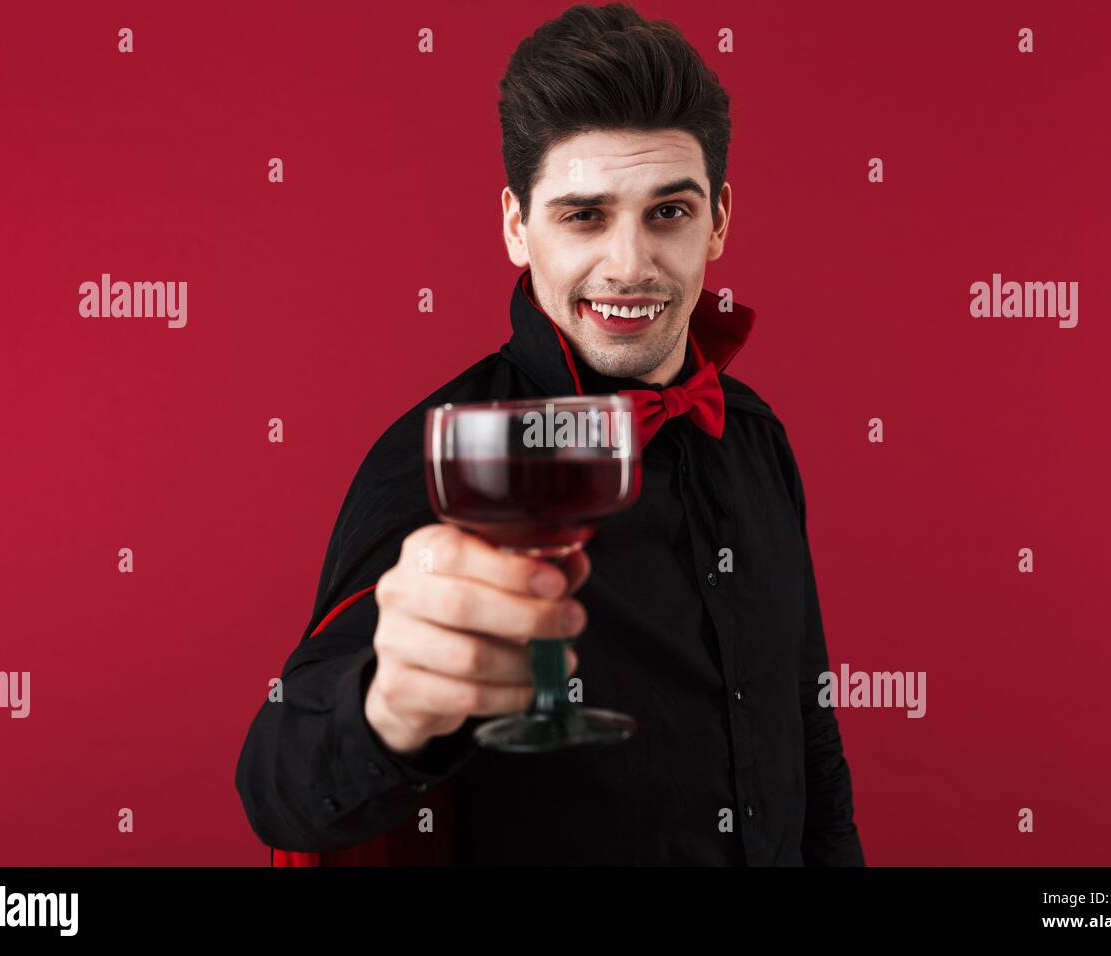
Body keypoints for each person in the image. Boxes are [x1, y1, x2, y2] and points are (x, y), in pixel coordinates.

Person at [234, 1, 865, 866]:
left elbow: (806, 726)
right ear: (515, 226)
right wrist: (389, 712)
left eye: (668, 213)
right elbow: (283, 785)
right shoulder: (447, 453)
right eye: (583, 216)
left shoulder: (756, 437)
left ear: (718, 218)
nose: (630, 263)